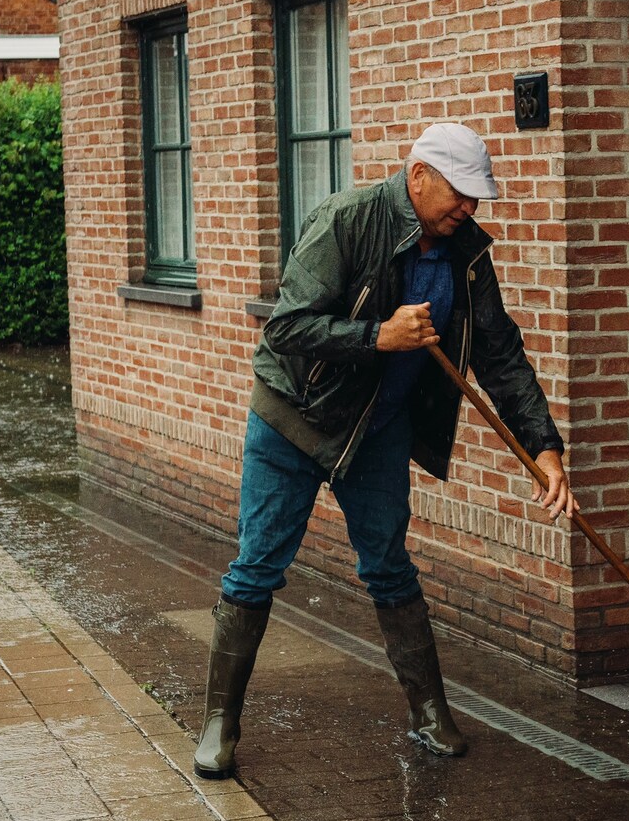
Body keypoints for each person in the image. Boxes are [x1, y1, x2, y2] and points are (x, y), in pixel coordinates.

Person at [196, 122, 572, 780]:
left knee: (391, 568)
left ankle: (430, 713)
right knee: (257, 568)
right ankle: (219, 723)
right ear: (419, 175)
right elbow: (286, 327)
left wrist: (543, 446)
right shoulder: (348, 220)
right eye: (460, 194)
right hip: (296, 423)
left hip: (378, 431)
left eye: (477, 200)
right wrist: (379, 336)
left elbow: (500, 354)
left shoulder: (468, 254)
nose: (468, 210)